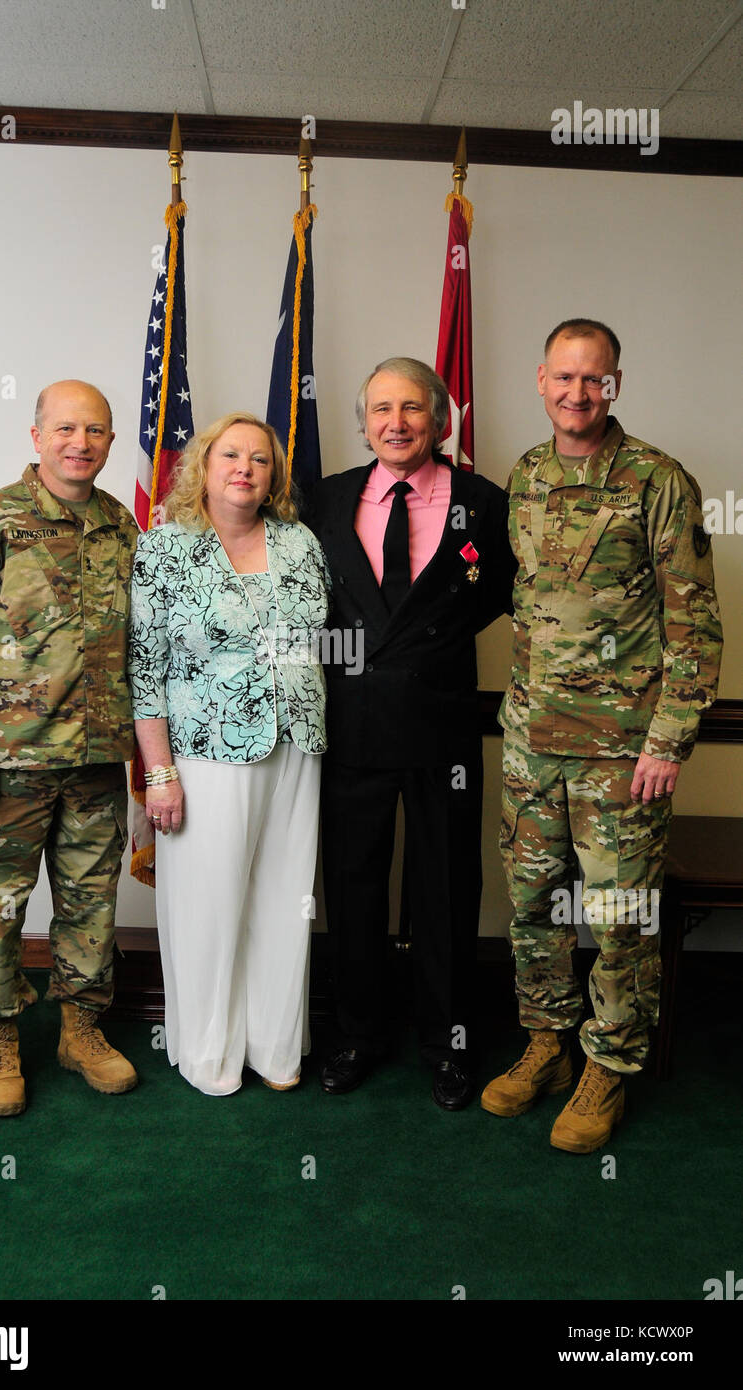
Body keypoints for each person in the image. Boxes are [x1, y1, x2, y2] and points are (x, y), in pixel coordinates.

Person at [481, 319, 723, 1152]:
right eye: (564, 378)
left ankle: (610, 1064)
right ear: (540, 379)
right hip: (532, 743)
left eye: (595, 380)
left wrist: (668, 742)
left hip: (623, 752)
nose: (577, 394)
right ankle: (547, 1041)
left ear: (614, 384)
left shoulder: (658, 479)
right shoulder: (526, 475)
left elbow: (694, 623)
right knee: (534, 906)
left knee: (620, 916)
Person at [0, 380, 138, 1116]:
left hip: (99, 757)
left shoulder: (120, 524)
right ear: (37, 436)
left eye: (97, 431)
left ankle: (80, 1029)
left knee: (90, 902)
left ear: (111, 442)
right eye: (67, 429)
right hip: (6, 763)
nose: (82, 443)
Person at [307, 357, 515, 1109]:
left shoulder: (484, 503)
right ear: (364, 422)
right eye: (381, 409)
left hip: (443, 725)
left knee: (448, 887)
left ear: (439, 418)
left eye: (413, 409)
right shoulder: (322, 501)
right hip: (350, 724)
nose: (396, 422)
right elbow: (302, 608)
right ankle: (357, 1034)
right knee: (353, 885)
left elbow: (496, 598)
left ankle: (449, 1041)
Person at [129, 412, 330, 1096]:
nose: (246, 467)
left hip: (298, 743)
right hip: (207, 751)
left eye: (261, 459)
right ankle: (208, 1051)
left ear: (274, 475)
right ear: (204, 468)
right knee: (210, 902)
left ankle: (275, 1046)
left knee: (284, 897)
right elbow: (145, 668)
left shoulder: (300, 542)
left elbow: (323, 640)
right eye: (231, 455)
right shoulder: (165, 548)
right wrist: (159, 773)